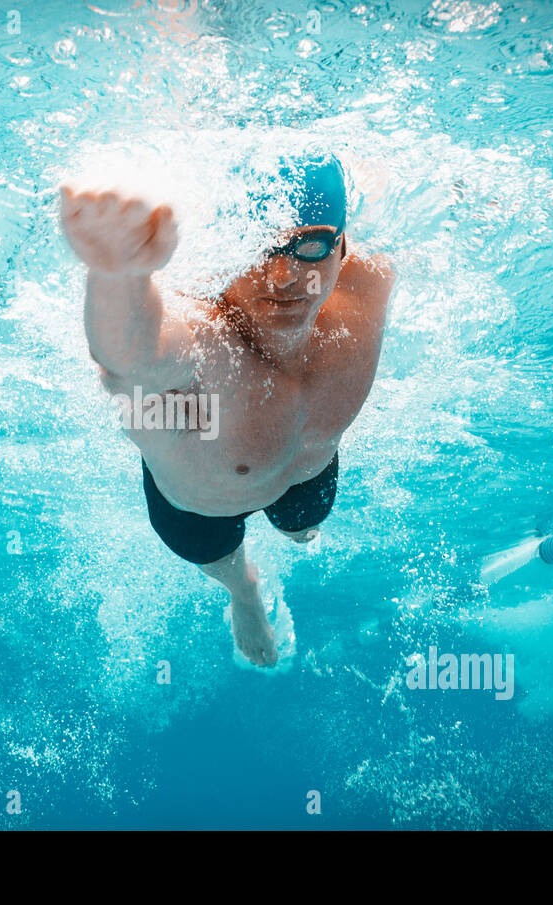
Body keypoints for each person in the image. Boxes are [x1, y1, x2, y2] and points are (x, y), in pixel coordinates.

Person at [60, 152, 395, 666]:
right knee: (227, 566)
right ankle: (244, 594)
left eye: (309, 246)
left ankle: (296, 529)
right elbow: (133, 357)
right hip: (199, 508)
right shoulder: (206, 340)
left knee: (303, 528)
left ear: (343, 246)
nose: (284, 276)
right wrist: (119, 273)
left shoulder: (370, 283)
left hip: (310, 471)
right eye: (259, 247)